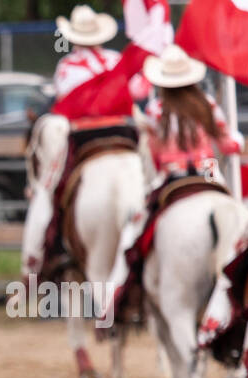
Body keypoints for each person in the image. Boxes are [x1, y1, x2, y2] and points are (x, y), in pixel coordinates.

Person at [21, 3, 166, 279]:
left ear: (74, 37)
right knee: (150, 149)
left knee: (50, 186)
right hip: (123, 131)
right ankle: (156, 188)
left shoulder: (66, 66)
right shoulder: (115, 60)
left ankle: (35, 255)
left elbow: (65, 101)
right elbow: (135, 90)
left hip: (82, 135)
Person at [102, 45, 241, 327]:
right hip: (211, 173)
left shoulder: (155, 110)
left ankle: (114, 296)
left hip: (172, 177)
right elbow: (231, 144)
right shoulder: (208, 105)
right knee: (240, 222)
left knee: (133, 229)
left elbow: (153, 155)